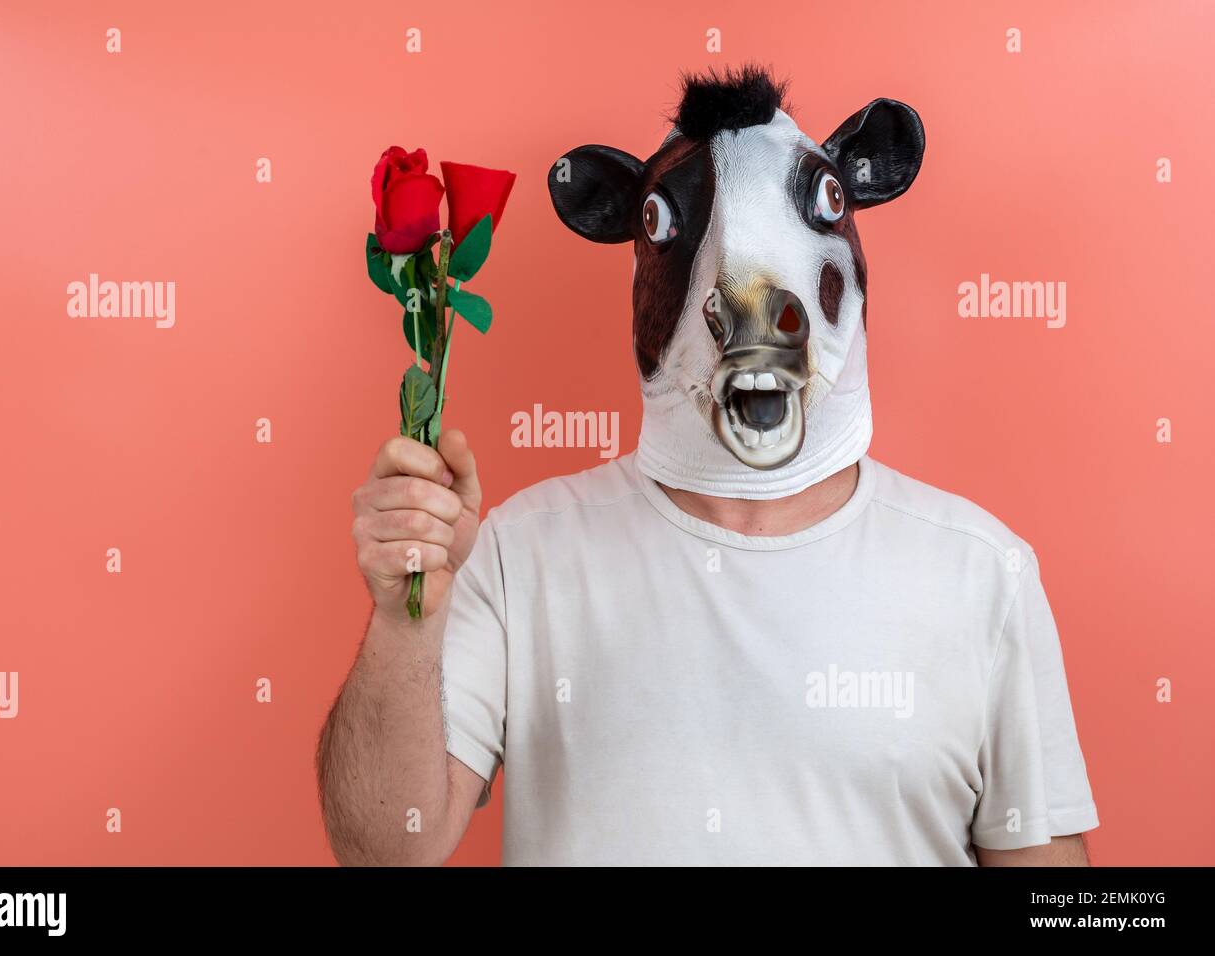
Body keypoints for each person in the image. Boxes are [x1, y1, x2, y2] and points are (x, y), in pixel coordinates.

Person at [317, 66, 1099, 866]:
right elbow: (383, 852)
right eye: (666, 221)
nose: (751, 297)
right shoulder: (520, 555)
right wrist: (404, 621)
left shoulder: (982, 573)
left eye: (822, 204)